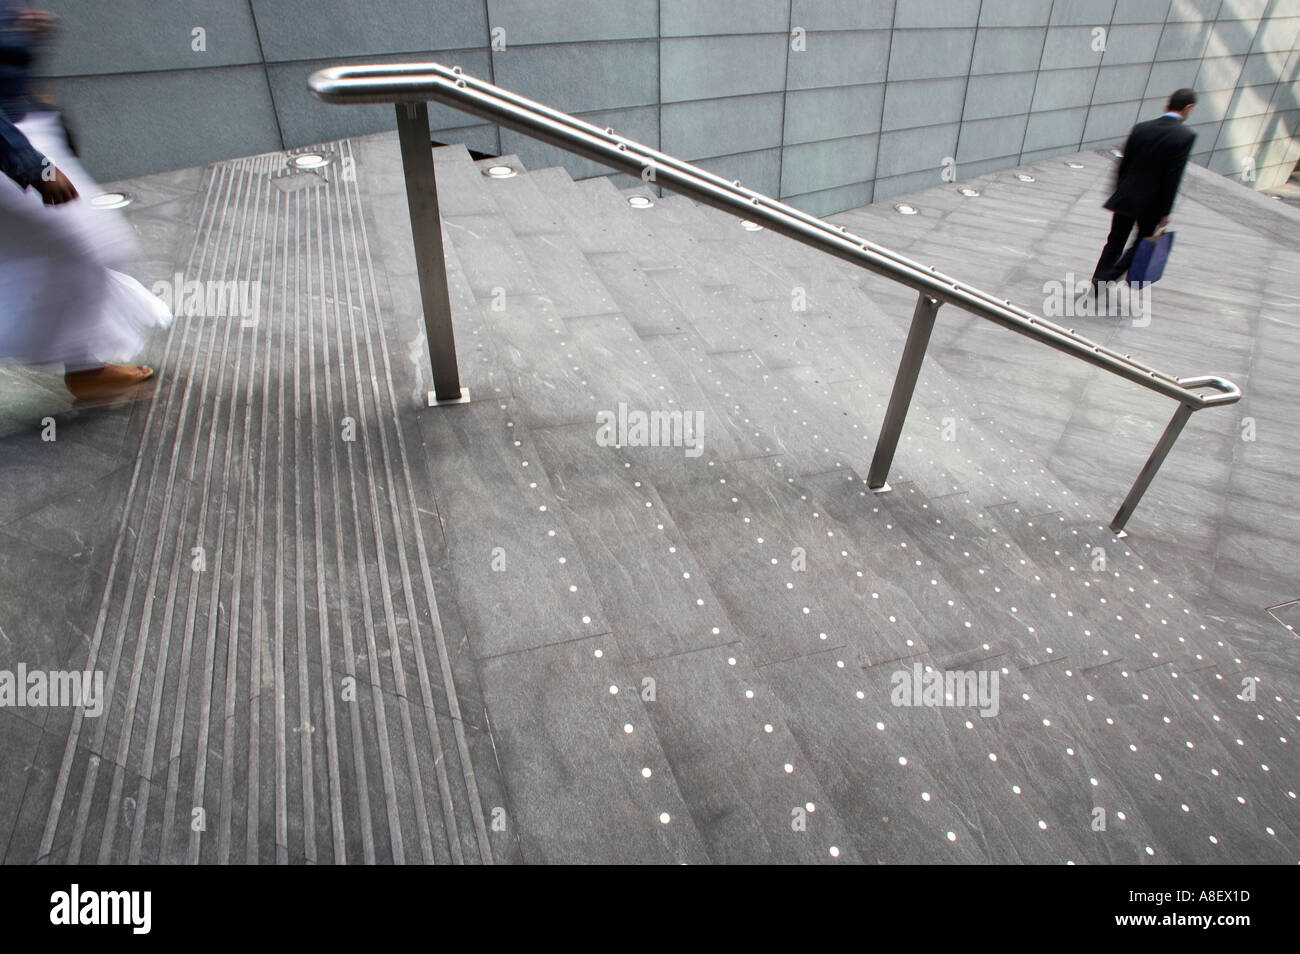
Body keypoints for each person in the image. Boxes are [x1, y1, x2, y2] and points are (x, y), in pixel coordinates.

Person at [0, 2, 169, 402]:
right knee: (92, 247)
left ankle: (85, 368)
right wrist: (34, 167)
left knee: (76, 255)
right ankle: (85, 368)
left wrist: (28, 34)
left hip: (27, 134)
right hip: (14, 154)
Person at [1089, 89, 1196, 297]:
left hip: (1127, 196)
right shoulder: (1185, 136)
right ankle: (1108, 278)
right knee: (1141, 243)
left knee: (1115, 240)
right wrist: (1165, 211)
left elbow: (1124, 163)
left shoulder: (1141, 128)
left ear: (1168, 104)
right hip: (1152, 203)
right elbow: (1172, 177)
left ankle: (1098, 281)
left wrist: (1119, 191)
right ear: (1188, 108)